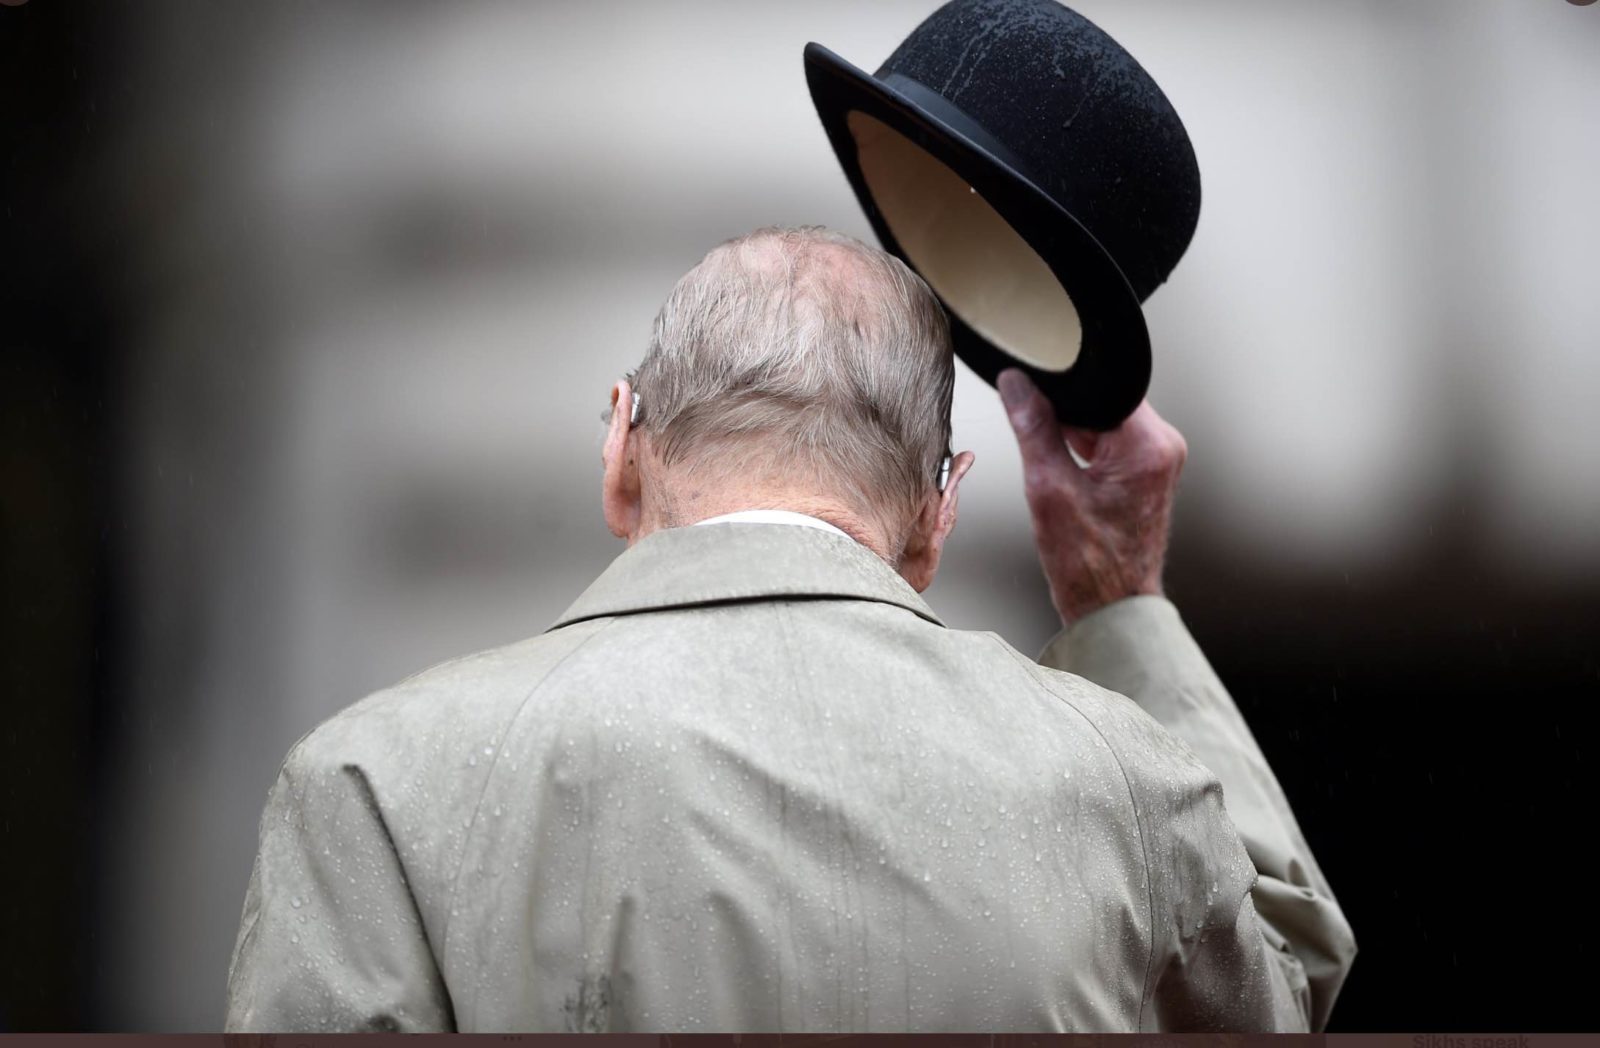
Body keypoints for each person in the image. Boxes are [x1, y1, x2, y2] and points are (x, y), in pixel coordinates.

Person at [224, 225, 1355, 1033]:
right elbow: (1281, 988)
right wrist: (1118, 600)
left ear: (622, 449)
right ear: (938, 510)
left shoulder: (373, 786)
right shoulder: (1122, 786)